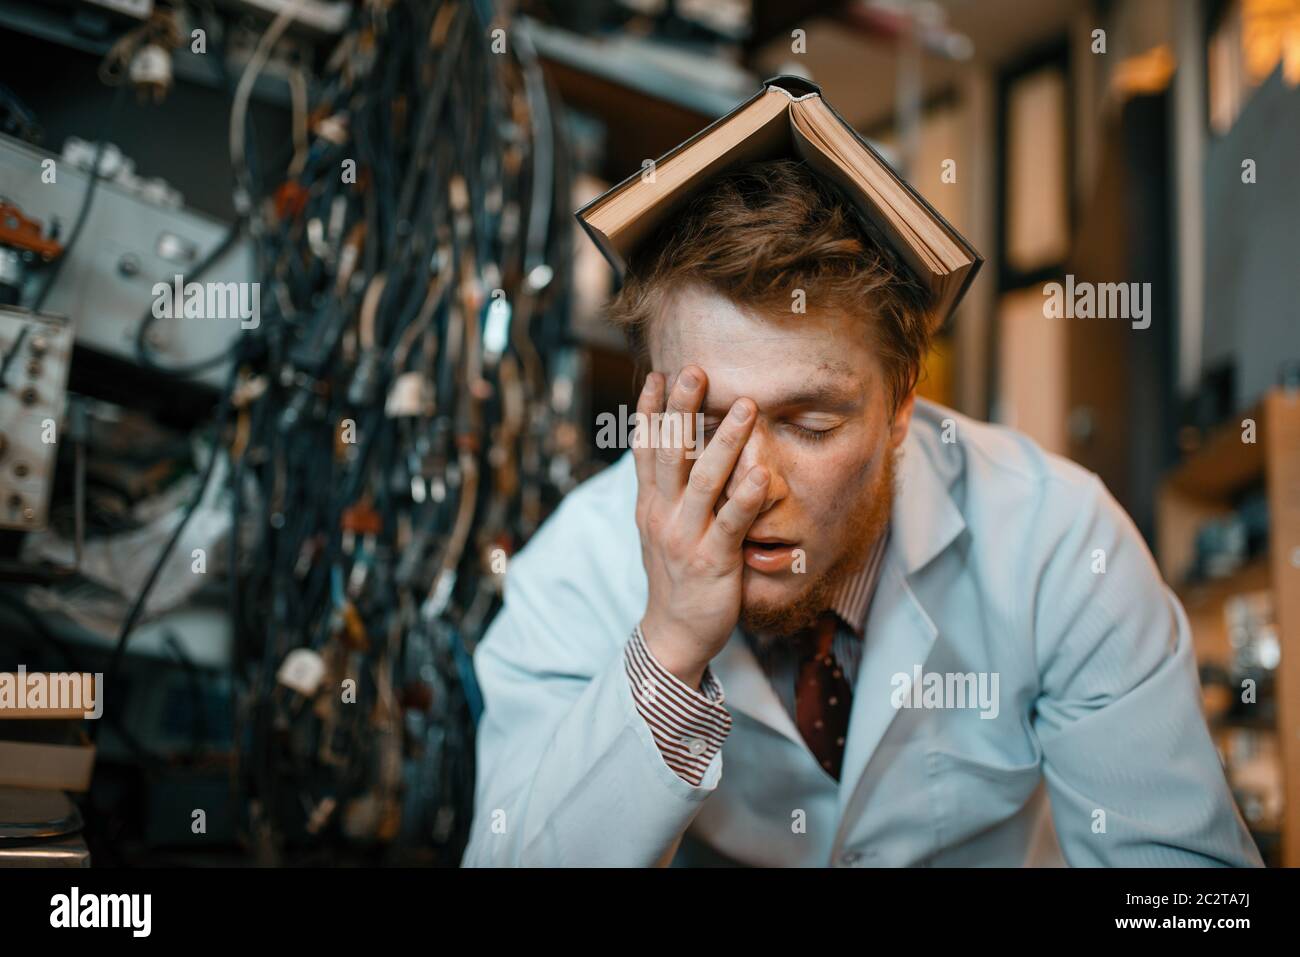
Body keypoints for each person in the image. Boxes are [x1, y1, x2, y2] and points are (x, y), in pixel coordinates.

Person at [461, 159, 1262, 867]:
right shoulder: (577, 564)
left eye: (811, 424)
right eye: (707, 427)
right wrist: (667, 650)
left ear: (904, 405)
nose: (753, 484)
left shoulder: (1060, 542)